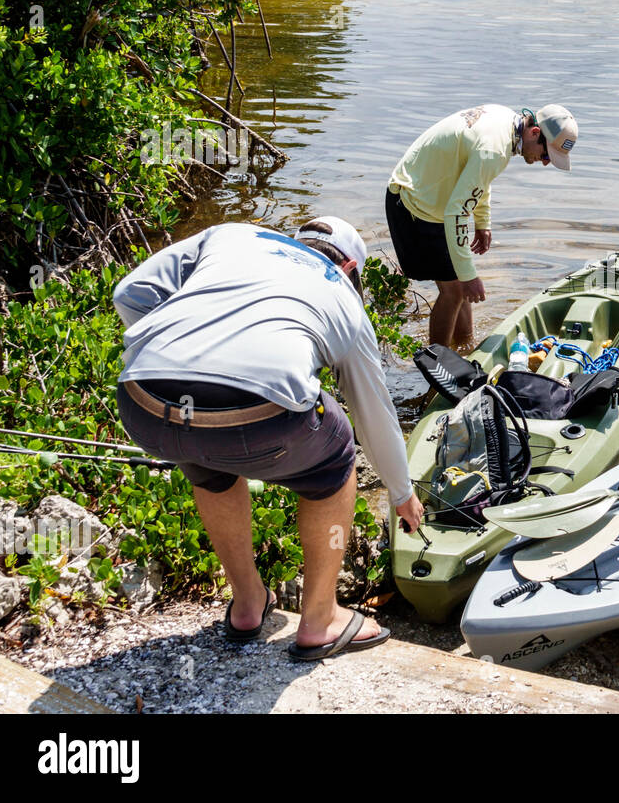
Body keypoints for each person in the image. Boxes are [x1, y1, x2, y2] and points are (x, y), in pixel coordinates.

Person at [112, 218, 425, 661]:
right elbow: (373, 416)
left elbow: (129, 294)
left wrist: (178, 354)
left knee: (209, 462)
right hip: (258, 424)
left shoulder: (233, 235)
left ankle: (247, 605)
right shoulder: (341, 293)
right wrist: (402, 493)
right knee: (336, 455)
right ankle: (321, 619)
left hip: (144, 403)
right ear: (351, 266)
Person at [385, 103, 579, 348]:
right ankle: (437, 372)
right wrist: (469, 276)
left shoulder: (505, 120)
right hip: (413, 203)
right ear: (534, 133)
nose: (544, 163)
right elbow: (457, 209)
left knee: (459, 284)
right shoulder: (494, 149)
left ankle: (465, 348)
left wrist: (482, 221)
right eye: (546, 155)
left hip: (430, 197)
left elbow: (478, 176)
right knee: (455, 290)